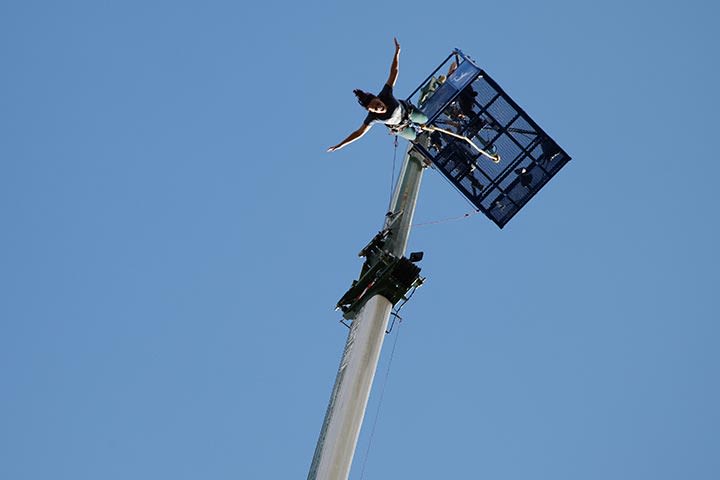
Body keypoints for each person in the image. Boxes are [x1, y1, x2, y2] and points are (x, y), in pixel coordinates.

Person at [327, 38, 428, 153]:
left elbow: (394, 72)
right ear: (372, 111)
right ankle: (422, 136)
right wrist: (340, 145)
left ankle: (426, 126)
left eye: (378, 104)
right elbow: (358, 133)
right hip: (400, 127)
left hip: (408, 111)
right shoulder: (372, 118)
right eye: (375, 109)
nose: (379, 107)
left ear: (378, 98)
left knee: (425, 119)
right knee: (415, 137)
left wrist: (397, 53)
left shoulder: (385, 94)